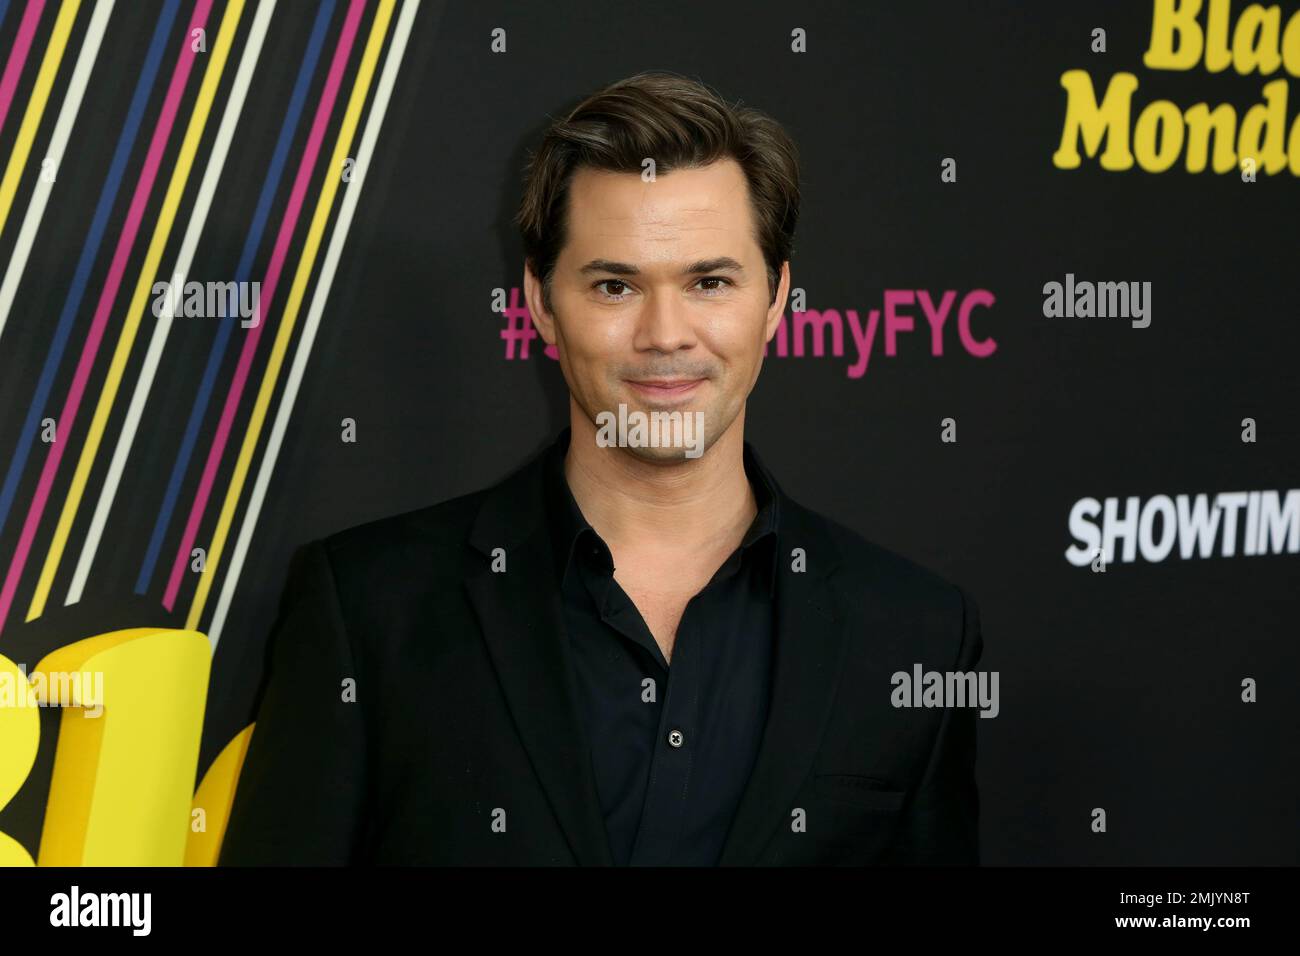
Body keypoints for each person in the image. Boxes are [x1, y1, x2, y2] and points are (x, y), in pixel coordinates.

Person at [218, 70, 983, 866]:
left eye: (710, 282)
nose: (665, 334)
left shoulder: (912, 635)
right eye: (615, 285)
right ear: (541, 304)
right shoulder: (372, 610)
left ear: (777, 299)